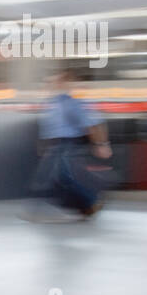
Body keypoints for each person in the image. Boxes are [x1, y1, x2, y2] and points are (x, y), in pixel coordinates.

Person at [25, 67, 113, 220]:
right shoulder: (52, 103)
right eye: (52, 82)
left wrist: (101, 145)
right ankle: (87, 206)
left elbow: (90, 124)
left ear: (65, 83)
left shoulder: (71, 102)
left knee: (60, 177)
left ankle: (89, 203)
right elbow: (47, 127)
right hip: (55, 144)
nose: (52, 84)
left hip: (67, 143)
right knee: (54, 178)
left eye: (57, 81)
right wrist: (43, 145)